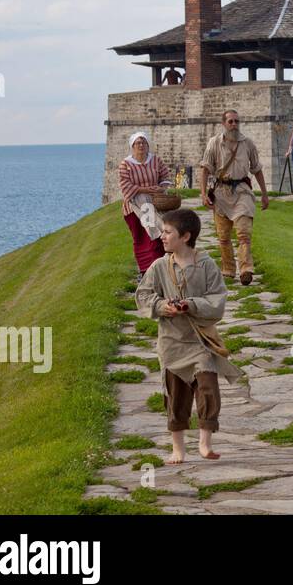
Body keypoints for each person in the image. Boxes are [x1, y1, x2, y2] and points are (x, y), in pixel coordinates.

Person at [136, 208, 243, 464]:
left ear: (185, 236)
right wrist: (164, 307)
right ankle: (178, 449)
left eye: (167, 232)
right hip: (172, 342)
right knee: (176, 395)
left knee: (208, 385)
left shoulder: (206, 265)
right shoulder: (159, 266)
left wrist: (191, 305)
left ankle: (205, 443)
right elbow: (143, 296)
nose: (162, 236)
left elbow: (217, 299)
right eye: (162, 231)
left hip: (199, 340)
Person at [198, 110, 270, 285]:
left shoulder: (248, 144)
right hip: (221, 193)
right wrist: (202, 194)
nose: (234, 124)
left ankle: (246, 269)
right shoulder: (214, 143)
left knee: (244, 234)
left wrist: (264, 194)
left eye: (237, 121)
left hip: (242, 192)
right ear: (223, 123)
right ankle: (228, 269)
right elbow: (205, 169)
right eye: (230, 121)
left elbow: (257, 169)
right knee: (223, 236)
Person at [117, 131, 173, 274]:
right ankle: (145, 271)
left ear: (147, 145)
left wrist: (160, 188)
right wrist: (145, 189)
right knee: (141, 239)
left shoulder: (155, 160)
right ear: (132, 146)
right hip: (135, 208)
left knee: (157, 239)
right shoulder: (126, 164)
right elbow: (125, 186)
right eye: (138, 143)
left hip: (156, 204)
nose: (141, 145)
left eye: (143, 142)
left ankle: (162, 268)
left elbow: (165, 176)